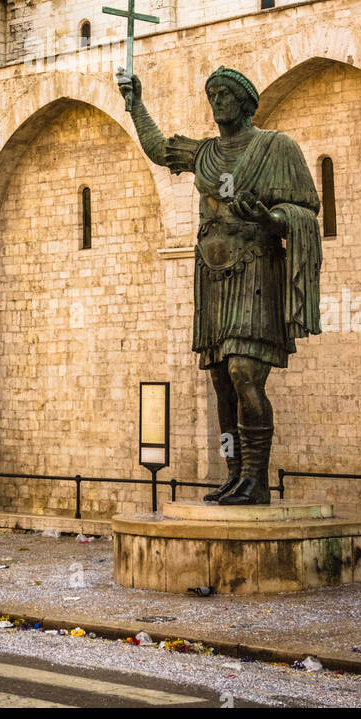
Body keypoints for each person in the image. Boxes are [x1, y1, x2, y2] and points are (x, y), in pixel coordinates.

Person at [117, 65, 322, 505]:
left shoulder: (276, 147)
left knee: (244, 372)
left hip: (254, 271)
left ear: (246, 103)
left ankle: (256, 478)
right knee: (221, 380)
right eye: (212, 95)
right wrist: (136, 106)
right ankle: (233, 474)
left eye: (225, 94)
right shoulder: (205, 153)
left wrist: (271, 218)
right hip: (211, 278)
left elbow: (306, 208)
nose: (217, 102)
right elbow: (159, 149)